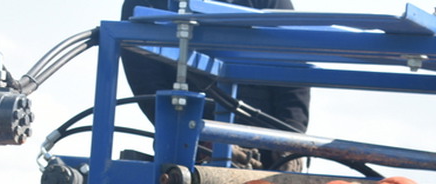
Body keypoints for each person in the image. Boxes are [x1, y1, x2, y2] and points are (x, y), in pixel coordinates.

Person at [119, 0, 312, 171]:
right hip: (191, 154)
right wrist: (195, 138)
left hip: (266, 152)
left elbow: (293, 74)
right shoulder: (145, 5)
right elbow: (148, 85)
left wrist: (290, 140)